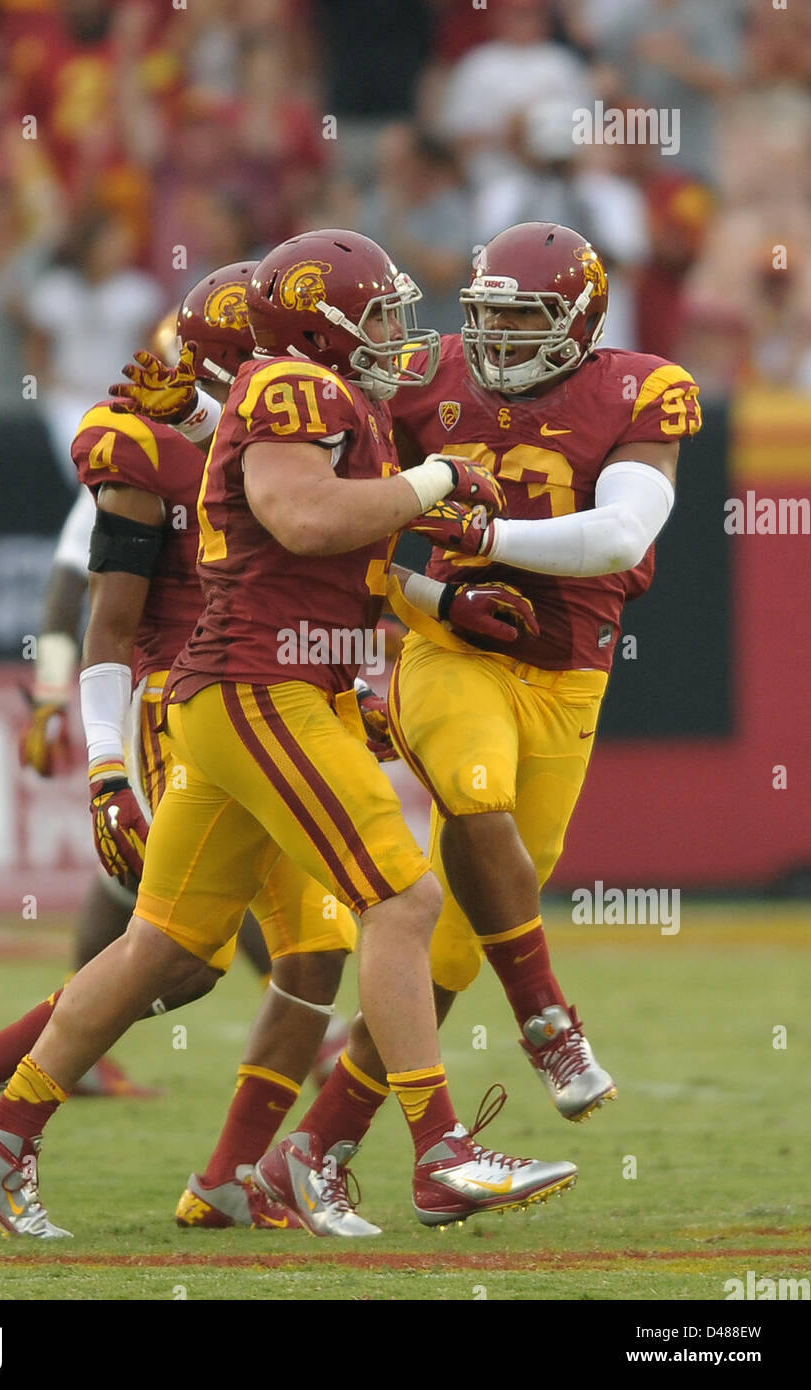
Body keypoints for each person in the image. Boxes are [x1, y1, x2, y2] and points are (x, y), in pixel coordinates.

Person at [0, 228, 577, 1238]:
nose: (396, 331)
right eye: (376, 312)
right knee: (403, 898)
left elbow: (314, 536)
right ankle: (440, 1150)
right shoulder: (295, 390)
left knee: (168, 948)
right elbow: (302, 517)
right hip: (258, 685)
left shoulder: (306, 399)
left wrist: (435, 600)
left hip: (255, 684)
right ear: (316, 324)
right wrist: (438, 481)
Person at [259, 222, 703, 1201]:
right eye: (488, 313)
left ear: (581, 322)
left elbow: (621, 531)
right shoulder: (419, 373)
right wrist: (431, 595)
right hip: (452, 648)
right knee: (473, 794)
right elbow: (332, 509)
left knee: (464, 936)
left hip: (571, 672)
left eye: (523, 317)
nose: (498, 337)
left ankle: (322, 1148)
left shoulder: (640, 388)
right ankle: (547, 1017)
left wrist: (489, 530)